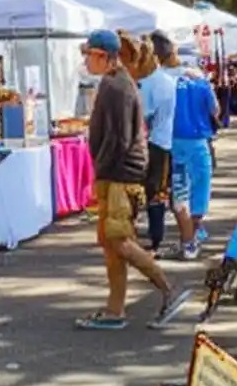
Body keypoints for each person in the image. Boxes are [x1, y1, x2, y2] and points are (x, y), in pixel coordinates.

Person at [78, 30, 174, 330]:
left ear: (104, 56)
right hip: (118, 174)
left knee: (118, 240)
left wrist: (102, 170)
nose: (85, 60)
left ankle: (165, 286)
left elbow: (118, 139)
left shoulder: (116, 86)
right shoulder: (116, 83)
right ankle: (115, 309)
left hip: (120, 175)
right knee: (111, 242)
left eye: (89, 54)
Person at [162, 39, 219, 260]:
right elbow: (215, 109)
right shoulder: (201, 82)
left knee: (180, 191)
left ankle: (186, 241)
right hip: (197, 140)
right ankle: (192, 238)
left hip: (173, 140)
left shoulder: (165, 81)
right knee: (200, 189)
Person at [131, 33, 177, 254]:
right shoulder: (168, 81)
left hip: (151, 141)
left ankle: (153, 234)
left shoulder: (148, 83)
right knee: (158, 189)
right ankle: (155, 232)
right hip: (165, 139)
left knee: (147, 188)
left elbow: (145, 114)